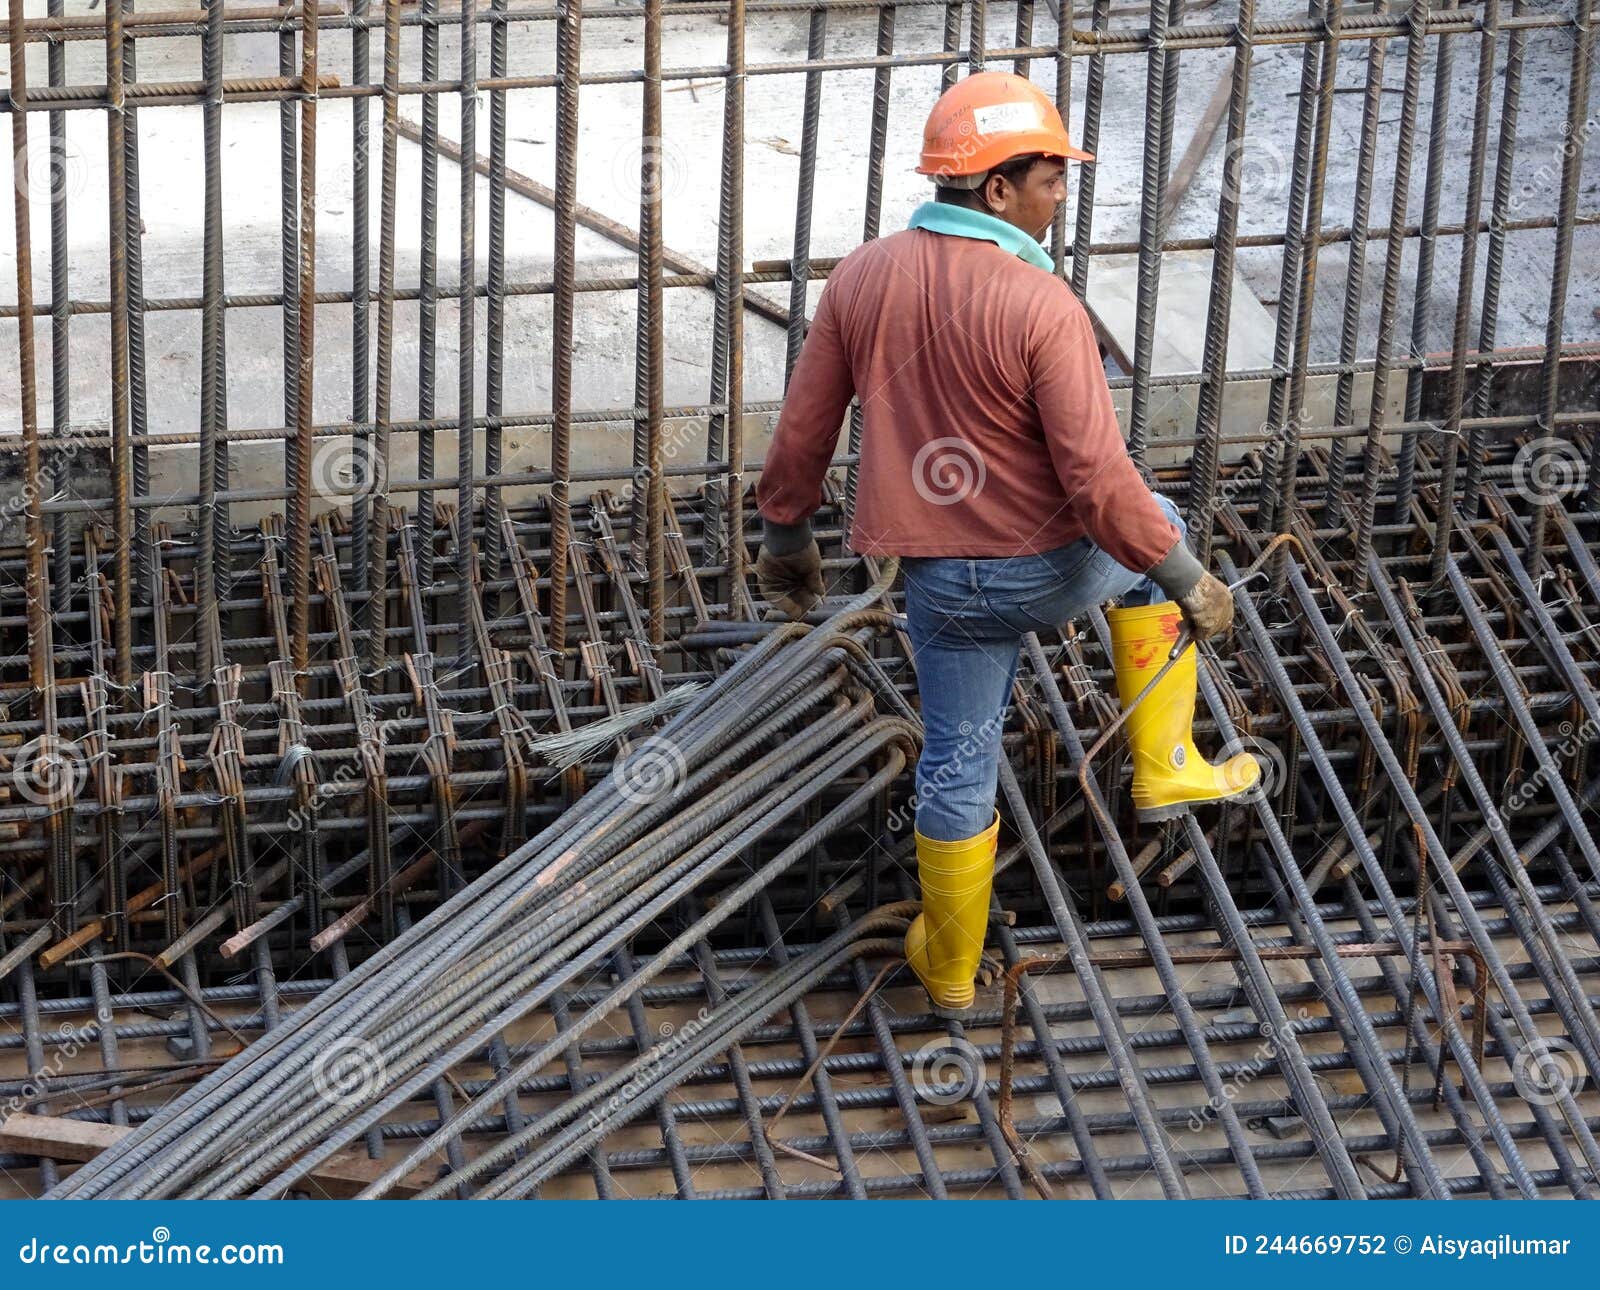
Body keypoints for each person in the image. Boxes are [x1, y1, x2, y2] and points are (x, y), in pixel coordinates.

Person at [752, 71, 1259, 1014]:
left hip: (942, 590)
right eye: (1050, 179)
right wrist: (1188, 579)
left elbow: (803, 433)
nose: (1060, 197)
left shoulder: (862, 275)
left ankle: (948, 963)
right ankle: (1164, 766)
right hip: (1049, 574)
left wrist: (787, 537)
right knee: (1161, 529)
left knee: (956, 761)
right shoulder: (1042, 306)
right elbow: (1101, 486)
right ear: (995, 189)